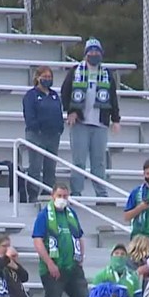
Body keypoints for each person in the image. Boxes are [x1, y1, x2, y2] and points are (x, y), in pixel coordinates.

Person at [61, 38, 120, 197]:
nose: (94, 54)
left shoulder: (106, 74)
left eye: (96, 51)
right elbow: (65, 93)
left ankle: (101, 194)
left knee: (99, 162)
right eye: (91, 51)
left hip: (100, 123)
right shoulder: (75, 71)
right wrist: (70, 111)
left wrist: (116, 119)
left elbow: (113, 97)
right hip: (80, 122)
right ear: (86, 53)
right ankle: (76, 192)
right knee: (79, 160)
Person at [32, 183, 87, 297]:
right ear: (52, 196)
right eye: (59, 196)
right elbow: (38, 240)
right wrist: (49, 263)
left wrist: (81, 257)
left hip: (73, 268)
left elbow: (79, 236)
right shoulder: (44, 215)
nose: (62, 199)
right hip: (53, 269)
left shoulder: (72, 214)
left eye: (65, 196)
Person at [22, 65, 65, 192]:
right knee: (35, 166)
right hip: (37, 135)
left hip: (53, 136)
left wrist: (59, 128)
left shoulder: (54, 95)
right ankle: (33, 193)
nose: (48, 79)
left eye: (50, 77)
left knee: (50, 168)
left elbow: (59, 112)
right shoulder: (31, 95)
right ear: (38, 78)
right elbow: (29, 115)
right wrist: (37, 128)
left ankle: (48, 193)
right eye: (45, 76)